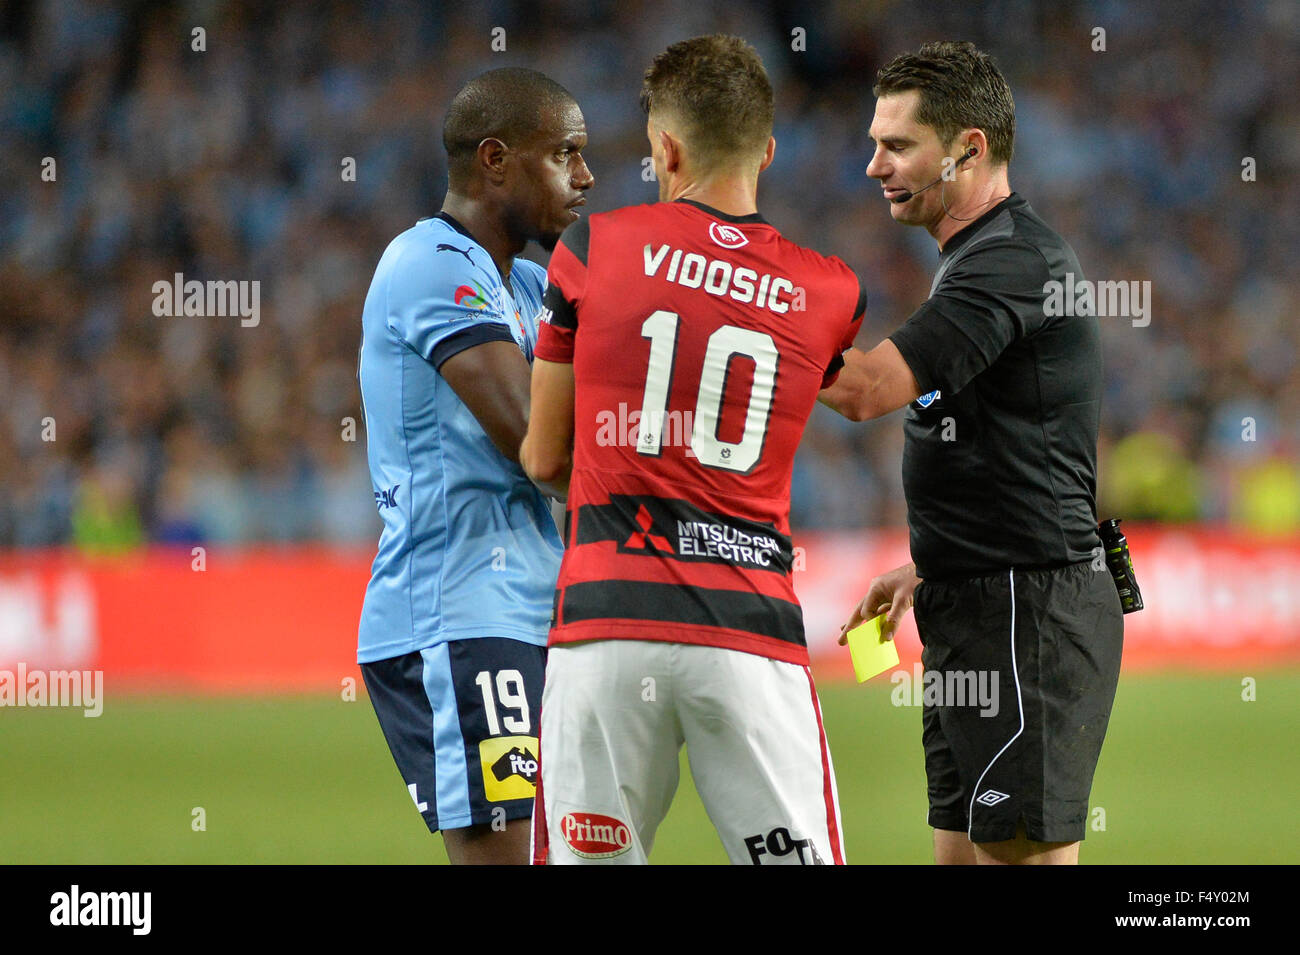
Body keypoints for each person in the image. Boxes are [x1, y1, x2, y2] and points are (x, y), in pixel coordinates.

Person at [520, 34, 864, 865]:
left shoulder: (590, 251)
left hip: (605, 624)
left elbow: (541, 456)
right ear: (769, 150)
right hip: (749, 632)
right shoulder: (828, 289)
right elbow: (857, 390)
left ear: (664, 148)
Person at [819, 41, 1123, 865]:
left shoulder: (1013, 261)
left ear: (969, 149)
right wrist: (931, 567)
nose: (874, 163)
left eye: (897, 144)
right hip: (974, 601)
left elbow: (867, 390)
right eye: (875, 141)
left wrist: (744, 313)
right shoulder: (972, 264)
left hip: (1031, 615)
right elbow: (1016, 445)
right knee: (961, 856)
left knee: (1019, 855)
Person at [355, 68, 593, 865]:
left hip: (538, 610)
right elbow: (540, 441)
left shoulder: (530, 282)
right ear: (495, 160)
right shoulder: (427, 263)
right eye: (566, 153)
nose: (586, 177)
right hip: (457, 614)